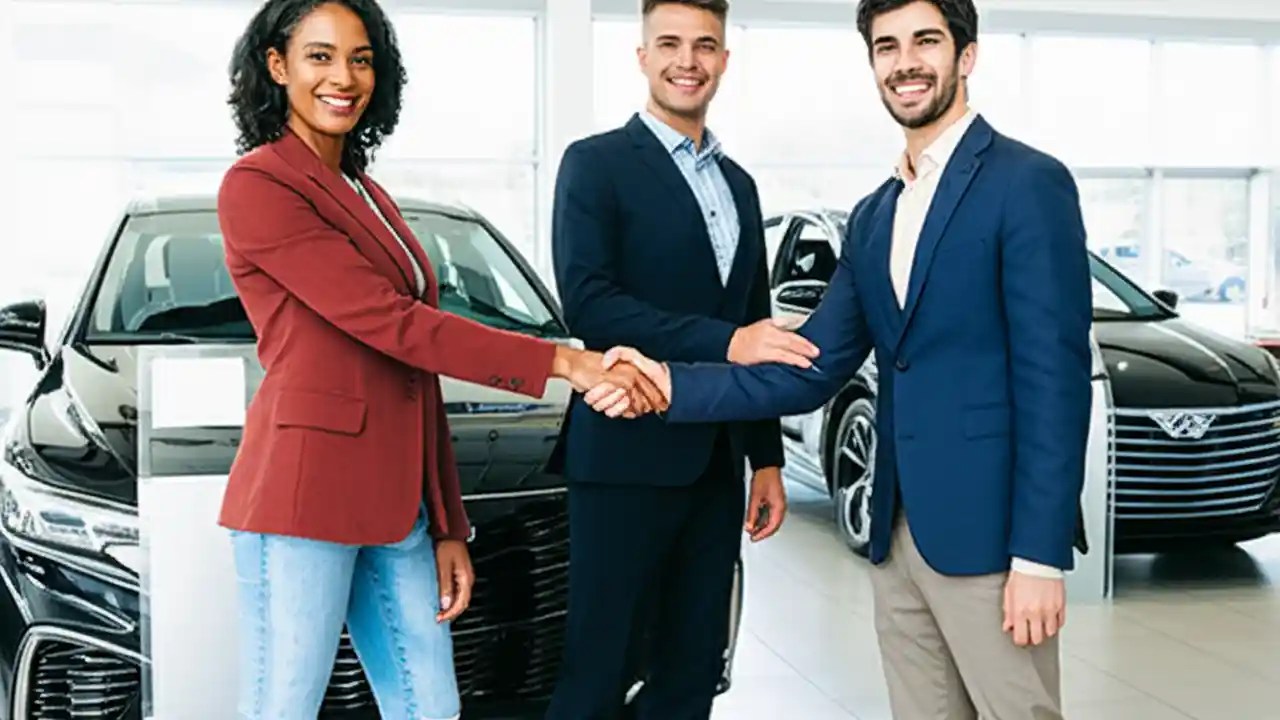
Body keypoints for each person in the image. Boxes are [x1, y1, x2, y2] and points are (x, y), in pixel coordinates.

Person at [590, 0, 1092, 718]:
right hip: (893, 533)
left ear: (967, 55)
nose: (905, 62)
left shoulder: (1026, 182)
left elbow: (1055, 380)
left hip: (990, 538)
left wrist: (1039, 555)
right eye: (886, 47)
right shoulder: (875, 213)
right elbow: (814, 363)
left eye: (926, 41)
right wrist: (667, 383)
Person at [217, 1, 661, 718]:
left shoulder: (363, 187)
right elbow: (396, 325)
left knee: (430, 705)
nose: (344, 76)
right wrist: (566, 363)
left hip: (396, 505)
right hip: (302, 498)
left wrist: (448, 522)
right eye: (320, 56)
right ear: (278, 66)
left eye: (361, 58)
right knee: (285, 706)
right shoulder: (259, 185)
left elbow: (412, 381)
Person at [543, 1, 818, 718]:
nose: (686, 60)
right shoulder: (595, 164)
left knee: (695, 669)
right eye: (668, 43)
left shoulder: (739, 186)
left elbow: (754, 322)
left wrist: (765, 459)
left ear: (724, 60)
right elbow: (591, 304)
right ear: (641, 56)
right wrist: (727, 344)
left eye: (705, 45)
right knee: (598, 670)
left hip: (716, 465)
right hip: (623, 457)